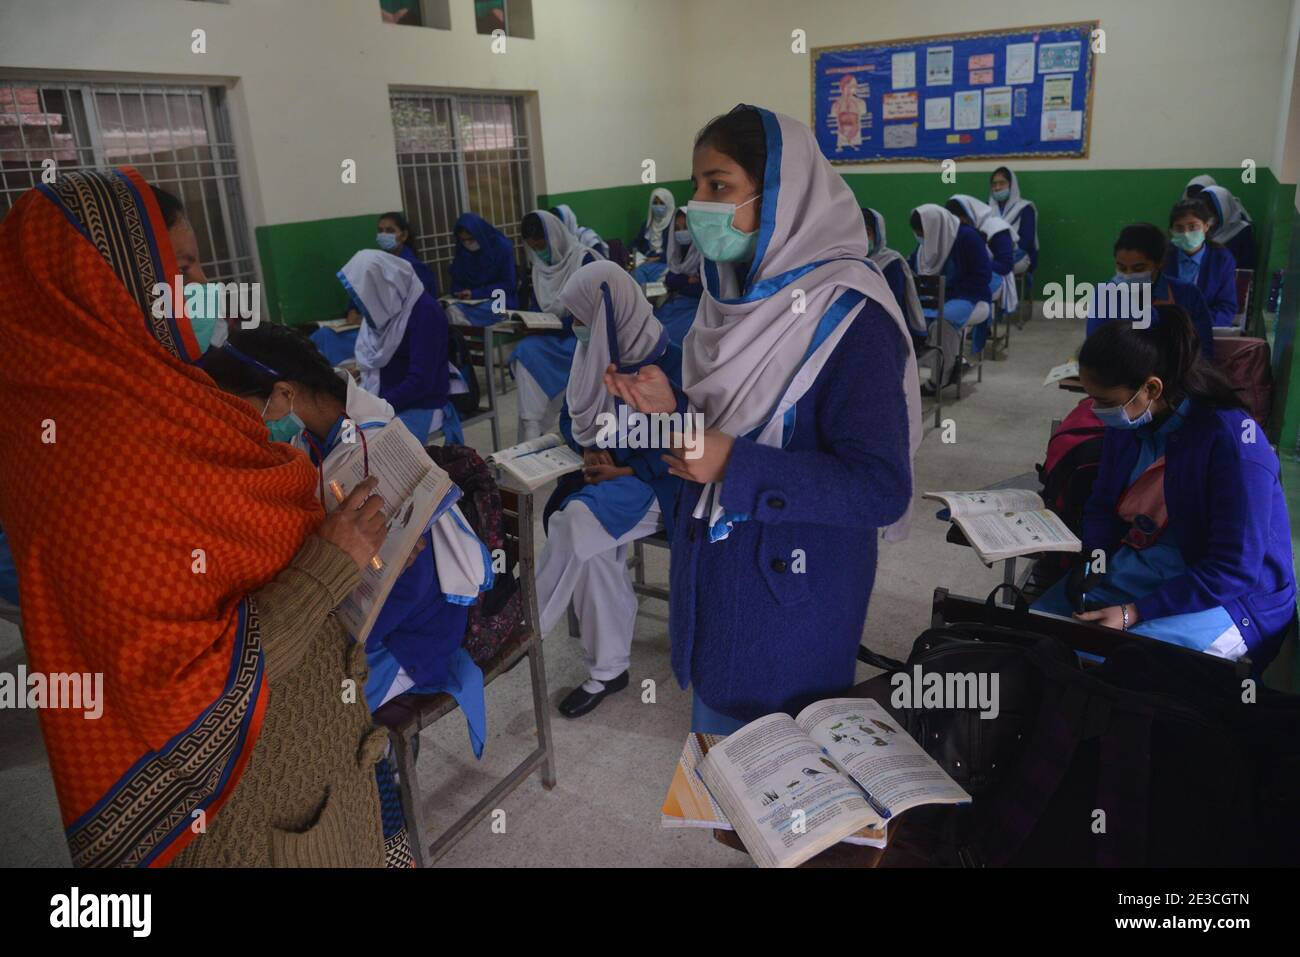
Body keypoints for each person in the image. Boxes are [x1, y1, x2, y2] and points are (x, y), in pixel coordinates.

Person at [0, 168, 390, 867]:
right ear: (101, 288)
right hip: (242, 819)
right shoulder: (100, 459)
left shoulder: (157, 399)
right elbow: (184, 701)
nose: (205, 283)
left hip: (304, 775)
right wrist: (331, 562)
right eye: (180, 268)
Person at [605, 105, 920, 733]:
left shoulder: (852, 319)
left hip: (794, 598)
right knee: (720, 749)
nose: (698, 206)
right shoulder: (729, 301)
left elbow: (880, 488)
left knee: (779, 777)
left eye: (718, 186)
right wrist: (673, 407)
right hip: (717, 580)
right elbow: (725, 424)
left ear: (781, 196)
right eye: (695, 186)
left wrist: (736, 465)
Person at [1034, 304, 1295, 668]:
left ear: (1152, 387)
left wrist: (1135, 612)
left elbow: (1233, 569)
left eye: (1105, 401)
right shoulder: (1130, 427)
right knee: (1035, 630)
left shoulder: (1233, 443)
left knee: (1122, 667)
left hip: (1231, 598)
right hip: (1149, 565)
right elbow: (1102, 506)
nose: (1095, 410)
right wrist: (1094, 567)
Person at [536, 262, 682, 718]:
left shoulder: (671, 361)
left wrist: (627, 468)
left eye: (582, 317)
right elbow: (571, 413)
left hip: (662, 485)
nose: (575, 327)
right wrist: (589, 451)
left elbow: (689, 440)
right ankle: (608, 670)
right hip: (604, 486)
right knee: (592, 545)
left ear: (608, 315)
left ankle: (525, 625)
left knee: (574, 522)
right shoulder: (593, 354)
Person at [340, 248, 461, 444]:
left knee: (369, 445)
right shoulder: (386, 309)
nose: (363, 303)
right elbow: (378, 358)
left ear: (382, 287)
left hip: (420, 404)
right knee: (342, 437)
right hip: (384, 396)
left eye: (366, 294)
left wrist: (376, 405)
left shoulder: (425, 313)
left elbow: (420, 382)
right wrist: (360, 373)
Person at [510, 209, 601, 440]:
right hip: (551, 337)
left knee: (580, 356)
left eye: (542, 245)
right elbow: (536, 307)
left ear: (555, 237)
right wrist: (529, 322)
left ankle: (562, 423)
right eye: (534, 247)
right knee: (524, 352)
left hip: (583, 337)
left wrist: (559, 325)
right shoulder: (540, 269)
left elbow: (596, 311)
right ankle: (531, 425)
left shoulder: (584, 260)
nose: (540, 251)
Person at [1087, 223, 1215, 359]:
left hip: (1176, 373)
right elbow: (1096, 351)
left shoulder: (1187, 294)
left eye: (1138, 268)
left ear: (1159, 263)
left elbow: (1204, 352)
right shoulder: (1105, 294)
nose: (1128, 275)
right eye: (1122, 268)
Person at [908, 203, 993, 393]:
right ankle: (948, 362)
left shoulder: (967, 237)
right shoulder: (928, 242)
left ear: (934, 227)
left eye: (922, 233)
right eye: (917, 234)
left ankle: (941, 377)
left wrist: (947, 293)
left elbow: (982, 277)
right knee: (912, 317)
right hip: (936, 299)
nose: (920, 238)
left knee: (942, 323)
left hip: (972, 298)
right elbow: (913, 267)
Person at [1165, 197, 1238, 328]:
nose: (1186, 233)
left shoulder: (1222, 259)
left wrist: (1195, 324)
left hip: (1204, 331)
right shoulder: (1161, 257)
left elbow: (1226, 307)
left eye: (1193, 226)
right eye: (1179, 228)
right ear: (1171, 231)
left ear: (1206, 226)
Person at [947, 193, 1020, 316]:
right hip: (972, 273)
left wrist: (978, 263)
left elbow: (1006, 265)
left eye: (960, 219)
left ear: (968, 214)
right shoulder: (956, 231)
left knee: (971, 290)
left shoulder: (996, 228)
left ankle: (968, 322)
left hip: (996, 275)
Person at [862, 207, 926, 342]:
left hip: (891, 327)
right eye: (857, 232)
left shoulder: (891, 262)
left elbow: (892, 304)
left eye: (867, 232)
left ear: (878, 233)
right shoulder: (849, 262)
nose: (862, 237)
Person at [447, 212, 518, 326]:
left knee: (495, 309)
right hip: (469, 302)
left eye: (470, 239)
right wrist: (459, 292)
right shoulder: (463, 251)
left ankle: (467, 327)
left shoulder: (502, 248)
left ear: (480, 234)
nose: (468, 243)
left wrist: (476, 293)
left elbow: (508, 284)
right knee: (448, 309)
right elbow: (457, 279)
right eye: (463, 240)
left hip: (499, 299)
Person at [656, 207, 703, 346]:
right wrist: (687, 280)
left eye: (685, 227)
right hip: (677, 301)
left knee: (671, 337)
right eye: (677, 228)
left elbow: (702, 290)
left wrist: (679, 282)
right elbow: (669, 279)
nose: (681, 232)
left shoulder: (705, 255)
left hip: (696, 307)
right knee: (655, 326)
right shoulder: (677, 250)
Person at [988, 166, 1037, 278]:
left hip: (1017, 255)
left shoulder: (1025, 208)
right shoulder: (987, 208)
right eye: (994, 184)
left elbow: (1026, 241)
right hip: (992, 254)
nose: (997, 188)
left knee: (990, 268)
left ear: (1012, 185)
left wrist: (1003, 254)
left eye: (1002, 183)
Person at [377, 210, 439, 299]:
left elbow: (423, 302)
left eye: (390, 231)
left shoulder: (414, 266)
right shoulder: (379, 261)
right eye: (380, 231)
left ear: (404, 235)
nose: (383, 235)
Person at [1199, 185, 1257, 272]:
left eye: (1211, 213)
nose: (1206, 218)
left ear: (1224, 210)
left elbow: (1246, 268)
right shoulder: (1199, 229)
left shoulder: (1242, 230)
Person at [630, 187, 677, 285]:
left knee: (640, 273)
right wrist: (635, 255)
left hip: (665, 263)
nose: (658, 206)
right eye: (655, 203)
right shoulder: (647, 224)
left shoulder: (675, 226)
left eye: (661, 203)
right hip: (647, 260)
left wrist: (657, 259)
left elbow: (677, 252)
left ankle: (645, 296)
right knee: (632, 273)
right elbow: (636, 243)